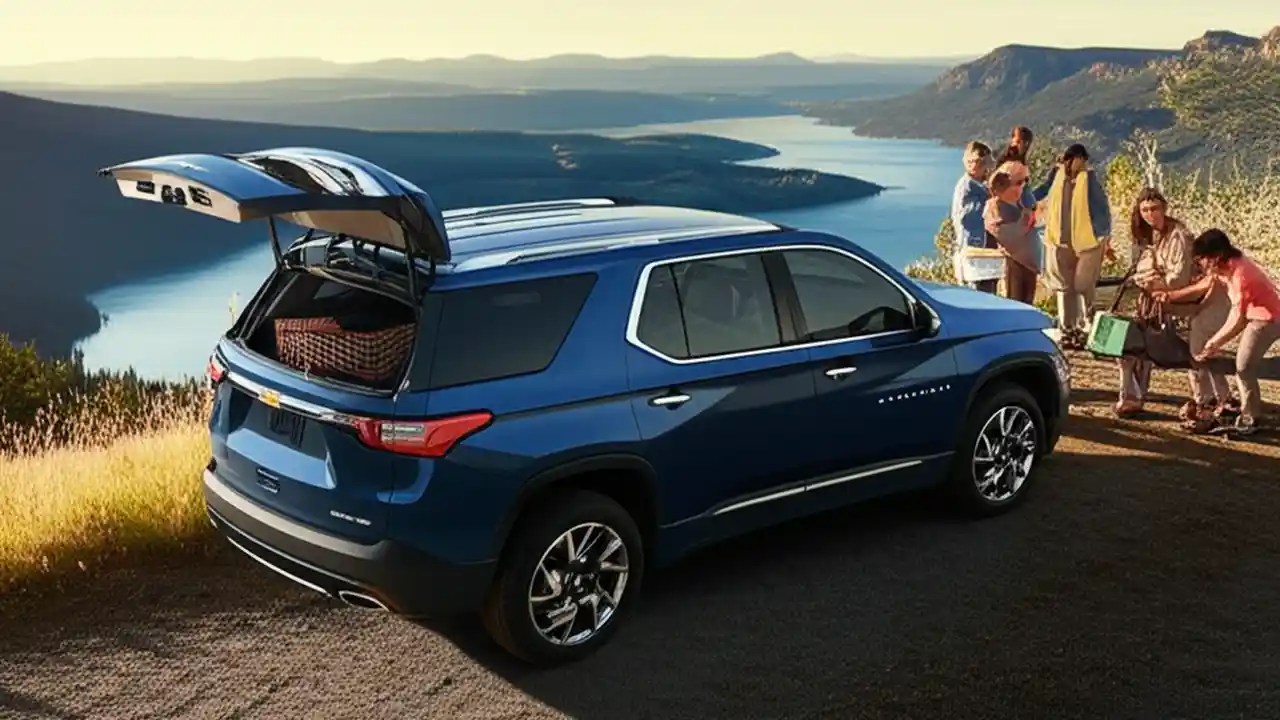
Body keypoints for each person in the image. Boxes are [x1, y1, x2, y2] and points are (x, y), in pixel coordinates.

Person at [1115, 188, 1234, 422]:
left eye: (1155, 209)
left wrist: (1154, 281)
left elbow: (1178, 279)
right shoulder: (1149, 237)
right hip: (1157, 303)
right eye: (1145, 210)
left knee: (1198, 353)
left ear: (1164, 208)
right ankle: (1131, 396)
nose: (1150, 214)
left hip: (1187, 303)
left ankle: (1216, 400)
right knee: (1135, 346)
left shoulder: (1178, 236)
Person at [1155, 229, 1280, 435]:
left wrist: (1214, 342)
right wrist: (1171, 296)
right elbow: (1206, 284)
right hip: (1254, 314)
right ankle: (1241, 409)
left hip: (1268, 319)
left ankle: (1250, 418)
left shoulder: (1242, 275)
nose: (1200, 264)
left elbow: (1237, 318)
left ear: (1216, 256)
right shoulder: (1222, 267)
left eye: (1202, 259)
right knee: (1239, 364)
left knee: (1244, 367)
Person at [1033, 143, 1114, 349]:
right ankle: (1067, 327)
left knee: (1083, 284)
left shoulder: (1090, 180)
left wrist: (1100, 234)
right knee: (1064, 286)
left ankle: (1087, 323)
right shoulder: (1057, 176)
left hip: (1086, 242)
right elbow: (1042, 191)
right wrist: (1024, 199)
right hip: (1060, 240)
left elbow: (1101, 208)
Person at [983, 163, 1039, 304]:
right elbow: (1006, 234)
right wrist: (1027, 218)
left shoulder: (1018, 204)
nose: (1022, 187)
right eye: (1019, 183)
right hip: (1013, 265)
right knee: (1015, 303)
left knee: (1027, 303)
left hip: (1028, 265)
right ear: (1003, 187)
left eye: (1025, 182)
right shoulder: (994, 209)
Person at [950, 141, 1001, 293]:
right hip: (975, 251)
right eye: (984, 163)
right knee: (977, 293)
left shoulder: (979, 186)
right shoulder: (968, 187)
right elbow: (966, 219)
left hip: (982, 250)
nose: (987, 168)